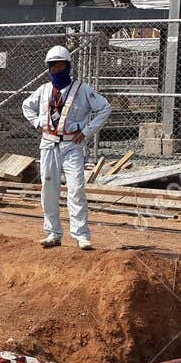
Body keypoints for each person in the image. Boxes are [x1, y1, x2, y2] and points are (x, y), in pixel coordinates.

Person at [22, 44, 112, 251]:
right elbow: (26, 105)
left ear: (68, 66)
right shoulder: (44, 90)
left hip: (72, 144)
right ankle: (53, 232)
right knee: (49, 189)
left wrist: (87, 131)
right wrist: (37, 122)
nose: (56, 69)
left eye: (60, 65)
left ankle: (81, 235)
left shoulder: (82, 90)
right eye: (53, 66)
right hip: (49, 144)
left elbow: (104, 108)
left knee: (76, 188)